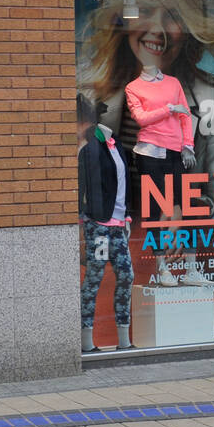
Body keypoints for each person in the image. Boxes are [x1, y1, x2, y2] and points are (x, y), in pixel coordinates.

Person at [78, 0, 214, 205]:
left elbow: (212, 190)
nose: (157, 29)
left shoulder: (208, 94)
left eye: (173, 16)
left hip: (169, 232)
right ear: (125, 22)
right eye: (144, 11)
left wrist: (181, 211)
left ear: (188, 29)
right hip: (113, 223)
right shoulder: (90, 94)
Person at [77, 95, 134, 351]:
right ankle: (86, 342)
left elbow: (124, 184)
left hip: (118, 223)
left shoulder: (116, 145)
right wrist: (86, 216)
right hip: (99, 224)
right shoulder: (90, 149)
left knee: (126, 275)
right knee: (95, 277)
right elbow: (83, 187)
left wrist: (127, 216)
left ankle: (124, 340)